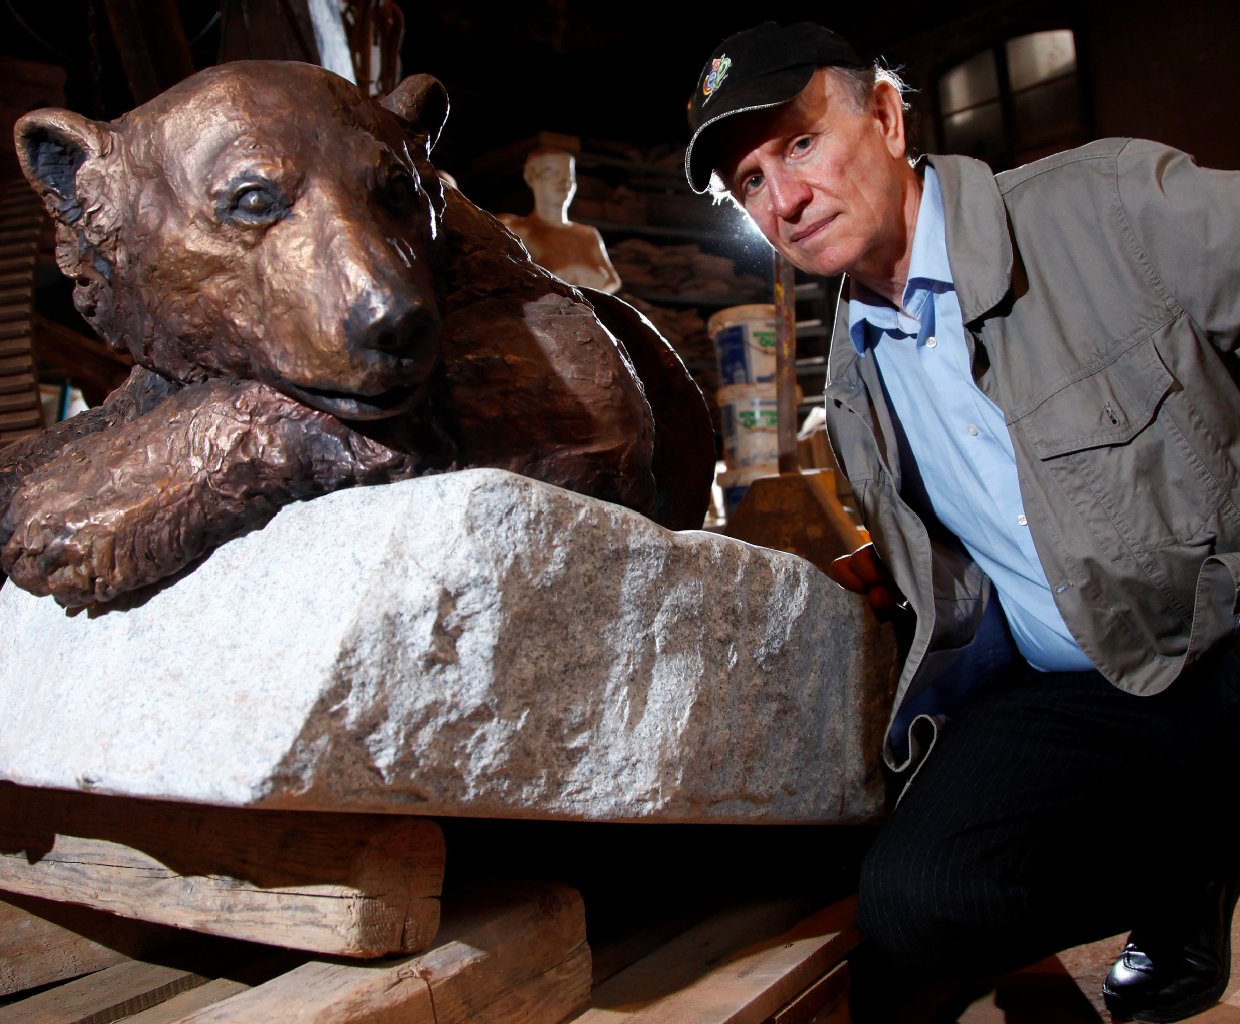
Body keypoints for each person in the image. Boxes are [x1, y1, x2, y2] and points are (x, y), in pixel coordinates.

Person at [683, 20, 1239, 1024]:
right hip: (1079, 690)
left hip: (1223, 641)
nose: (786, 200)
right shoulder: (853, 378)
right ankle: (1185, 871)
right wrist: (886, 569)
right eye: (752, 181)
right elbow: (996, 516)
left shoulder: (1106, 209)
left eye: (800, 143)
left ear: (888, 117)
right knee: (917, 903)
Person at [498, 147, 624, 293]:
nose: (564, 183)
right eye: (553, 174)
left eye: (569, 176)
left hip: (587, 313)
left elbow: (613, 282)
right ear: (531, 176)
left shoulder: (588, 234)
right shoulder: (513, 228)